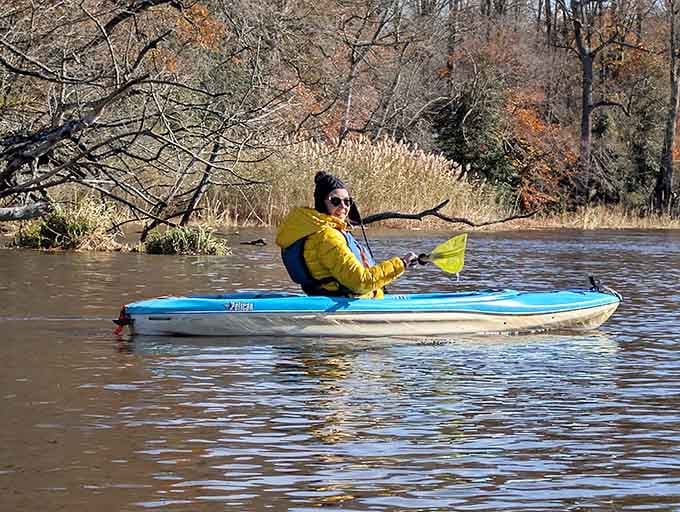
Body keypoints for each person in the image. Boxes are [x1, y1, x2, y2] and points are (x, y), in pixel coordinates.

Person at [276, 171, 418, 298]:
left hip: (355, 299)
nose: (343, 207)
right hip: (346, 302)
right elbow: (360, 282)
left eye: (347, 201)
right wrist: (401, 263)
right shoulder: (327, 237)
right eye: (335, 201)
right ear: (321, 203)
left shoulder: (331, 231)